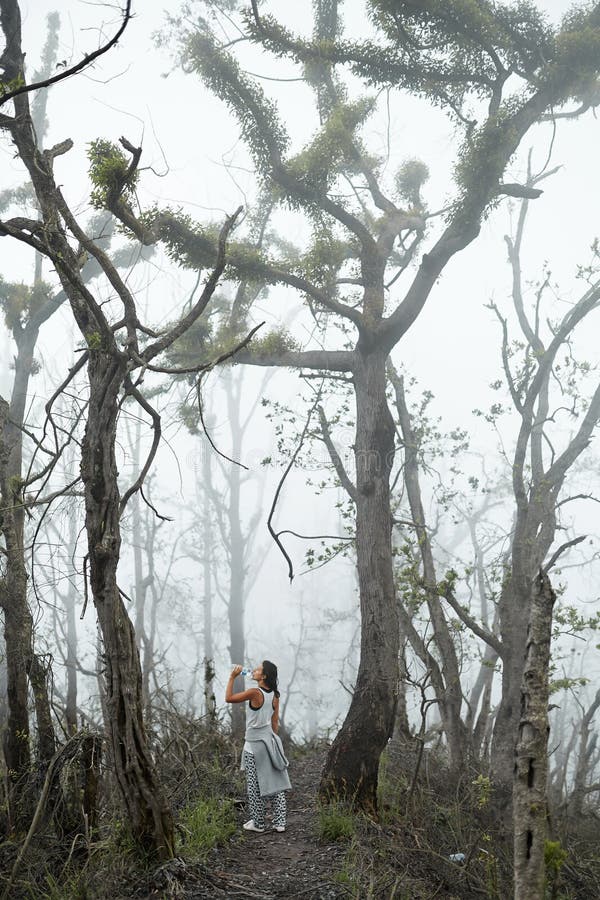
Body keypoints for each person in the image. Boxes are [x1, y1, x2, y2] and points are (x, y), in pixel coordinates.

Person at [225, 660, 291, 833]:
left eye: (258, 669)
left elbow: (229, 698)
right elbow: (274, 722)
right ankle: (280, 823)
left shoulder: (255, 692)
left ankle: (258, 824)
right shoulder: (275, 695)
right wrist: (272, 742)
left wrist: (232, 677)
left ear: (264, 676)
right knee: (276, 781)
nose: (253, 670)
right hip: (269, 740)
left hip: (253, 745)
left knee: (254, 784)